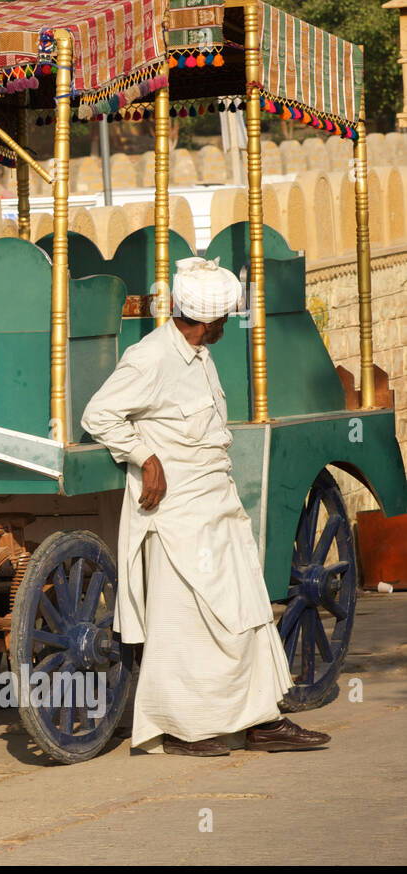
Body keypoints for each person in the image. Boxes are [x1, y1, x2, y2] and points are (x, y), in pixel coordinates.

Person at [80, 257, 330, 756]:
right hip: (178, 520)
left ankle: (260, 720)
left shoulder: (199, 356)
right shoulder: (150, 357)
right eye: (223, 320)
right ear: (212, 321)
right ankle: (177, 730)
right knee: (186, 628)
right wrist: (144, 456)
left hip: (219, 508)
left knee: (247, 613)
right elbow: (99, 413)